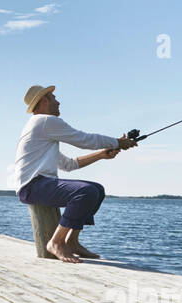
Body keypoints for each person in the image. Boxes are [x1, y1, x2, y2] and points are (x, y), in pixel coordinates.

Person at [12, 84, 136, 262]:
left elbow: (69, 164)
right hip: (33, 186)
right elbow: (84, 139)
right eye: (54, 98)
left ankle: (72, 242)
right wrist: (117, 142)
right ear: (44, 101)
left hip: (37, 185)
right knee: (86, 191)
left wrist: (101, 154)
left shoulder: (41, 128)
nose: (58, 102)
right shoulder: (45, 121)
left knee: (97, 189)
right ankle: (56, 242)